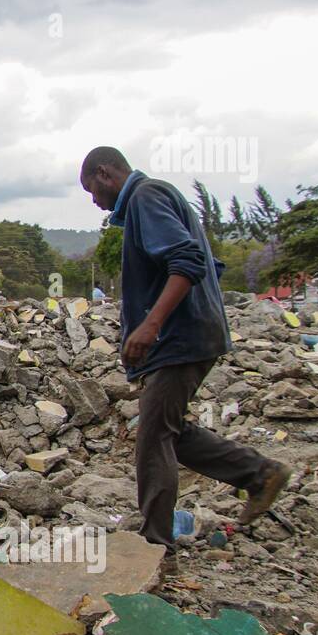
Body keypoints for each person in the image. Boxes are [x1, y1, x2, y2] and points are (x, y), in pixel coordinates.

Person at [79, 146, 291, 570]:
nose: (95, 202)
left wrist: (152, 324)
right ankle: (260, 474)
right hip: (190, 332)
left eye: (91, 190)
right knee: (168, 430)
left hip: (179, 338)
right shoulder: (158, 197)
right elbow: (207, 260)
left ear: (105, 173)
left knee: (153, 438)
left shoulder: (145, 197)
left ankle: (156, 547)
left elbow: (189, 261)